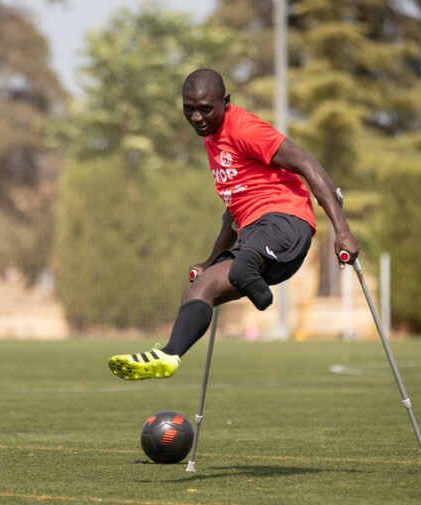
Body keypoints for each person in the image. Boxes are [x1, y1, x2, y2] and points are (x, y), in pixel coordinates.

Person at [108, 68, 360, 380]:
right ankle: (168, 355)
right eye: (189, 109)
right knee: (198, 290)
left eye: (205, 109)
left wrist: (343, 230)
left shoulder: (244, 128)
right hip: (253, 235)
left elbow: (308, 164)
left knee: (243, 267)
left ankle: (259, 293)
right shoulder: (212, 140)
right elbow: (232, 214)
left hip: (285, 222)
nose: (197, 117)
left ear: (225, 101)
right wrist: (209, 262)